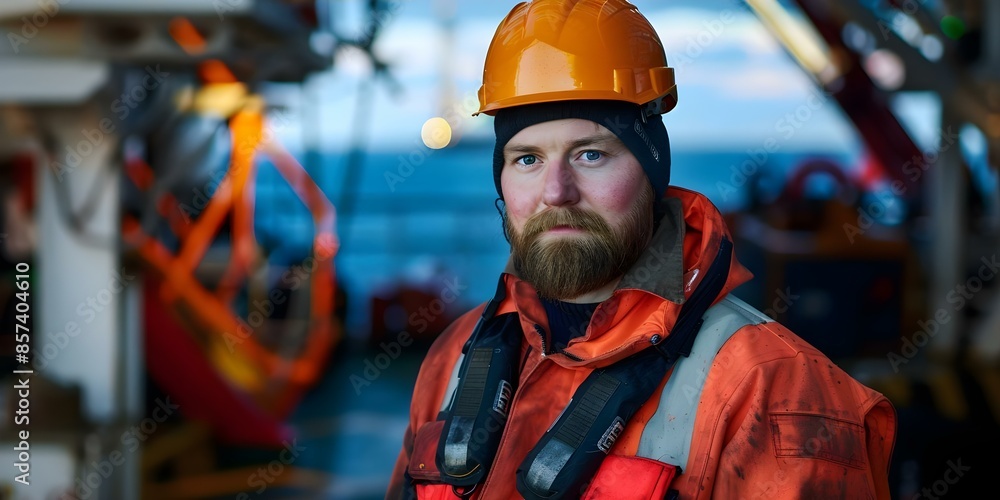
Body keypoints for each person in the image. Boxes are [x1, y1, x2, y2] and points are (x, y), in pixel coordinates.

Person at [387, 1, 897, 498]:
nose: (555, 191)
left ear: (653, 173)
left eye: (591, 154)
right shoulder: (454, 355)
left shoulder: (772, 389)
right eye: (527, 159)